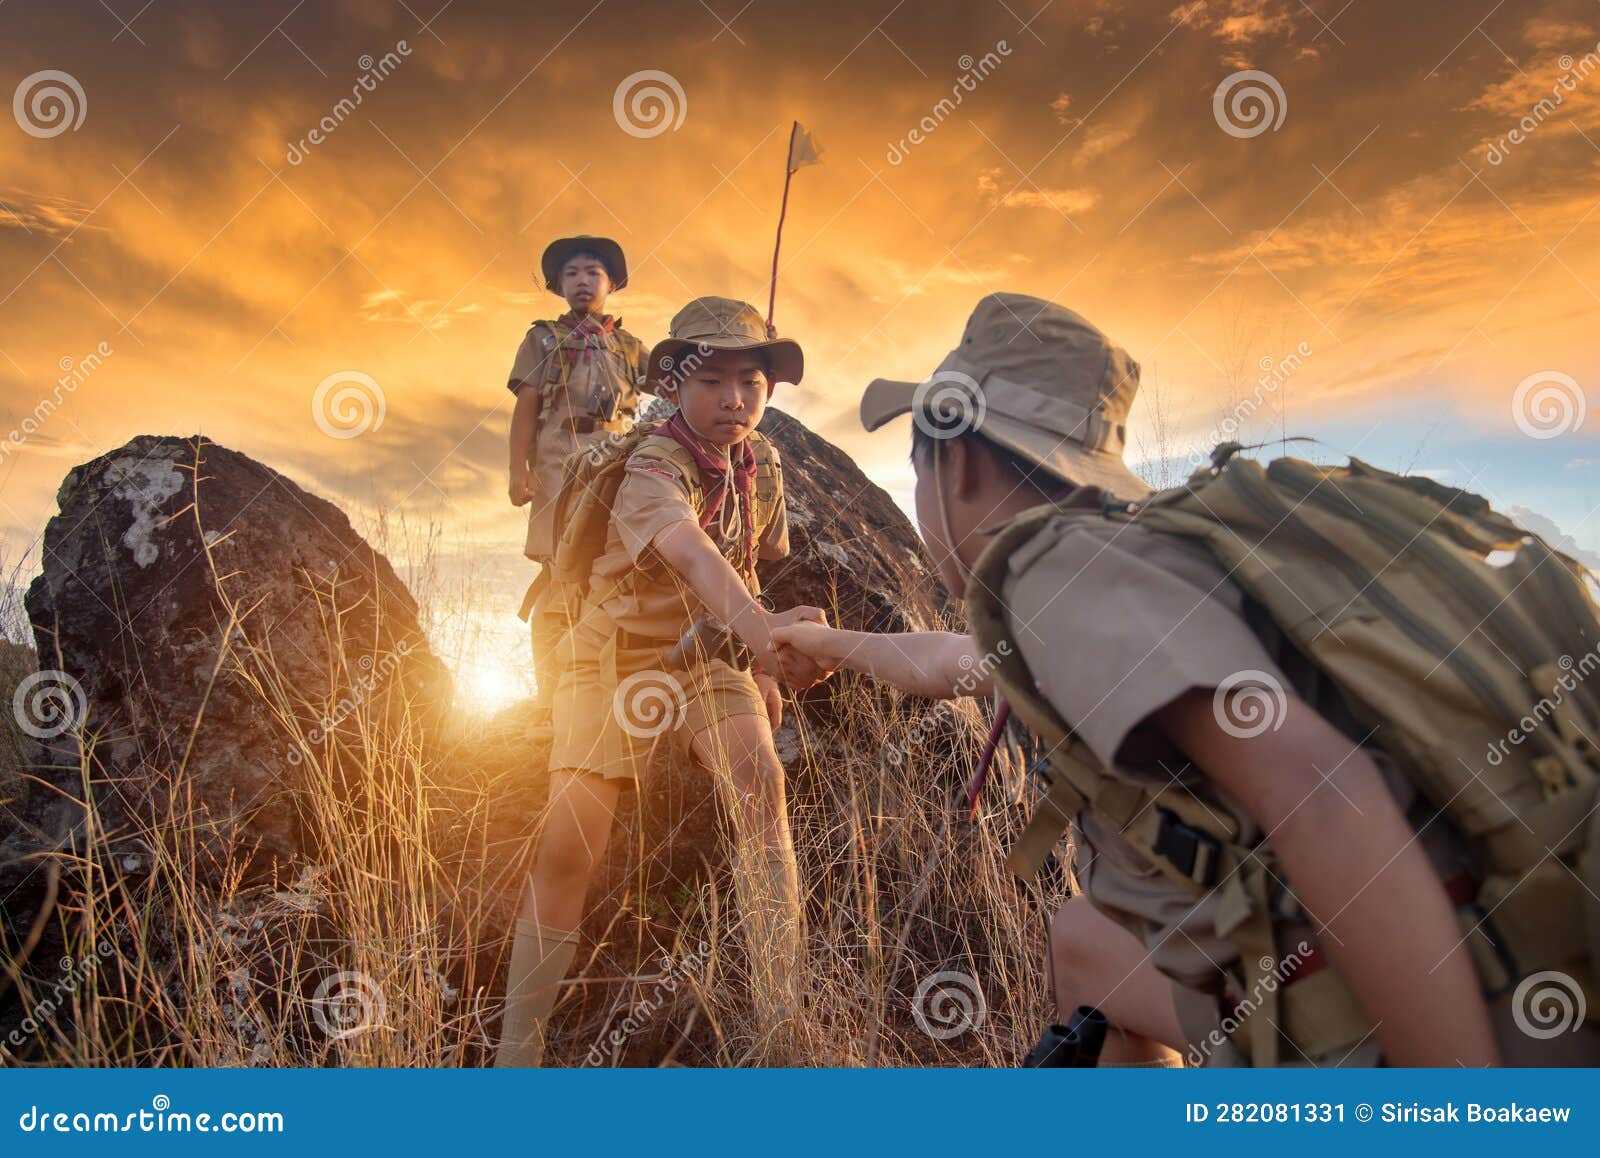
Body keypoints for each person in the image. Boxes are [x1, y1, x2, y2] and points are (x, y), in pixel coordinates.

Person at [766, 291, 1572, 1067]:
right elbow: (953, 661)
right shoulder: (1132, 566)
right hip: (1509, 954)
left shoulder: (1057, 572)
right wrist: (829, 643)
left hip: (1419, 1029)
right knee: (1081, 943)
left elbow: (1325, 791)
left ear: (959, 461)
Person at [495, 296, 832, 1067]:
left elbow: (742, 561)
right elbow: (692, 552)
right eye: (711, 380)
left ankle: (783, 1026)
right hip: (611, 656)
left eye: (751, 381)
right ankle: (519, 1058)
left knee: (761, 783)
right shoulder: (650, 464)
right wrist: (769, 640)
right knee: (570, 844)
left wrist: (758, 663)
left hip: (709, 651)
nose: (734, 398)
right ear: (674, 384)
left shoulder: (762, 463)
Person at [506, 235, 650, 735]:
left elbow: (684, 383)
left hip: (616, 470)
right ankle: (549, 703)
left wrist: (746, 356)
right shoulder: (542, 339)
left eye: (593, 272)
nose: (582, 281)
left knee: (607, 574)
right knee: (558, 579)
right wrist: (518, 471)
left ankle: (595, 695)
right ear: (559, 285)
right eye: (571, 274)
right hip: (558, 469)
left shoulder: (629, 347)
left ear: (611, 284)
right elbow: (525, 407)